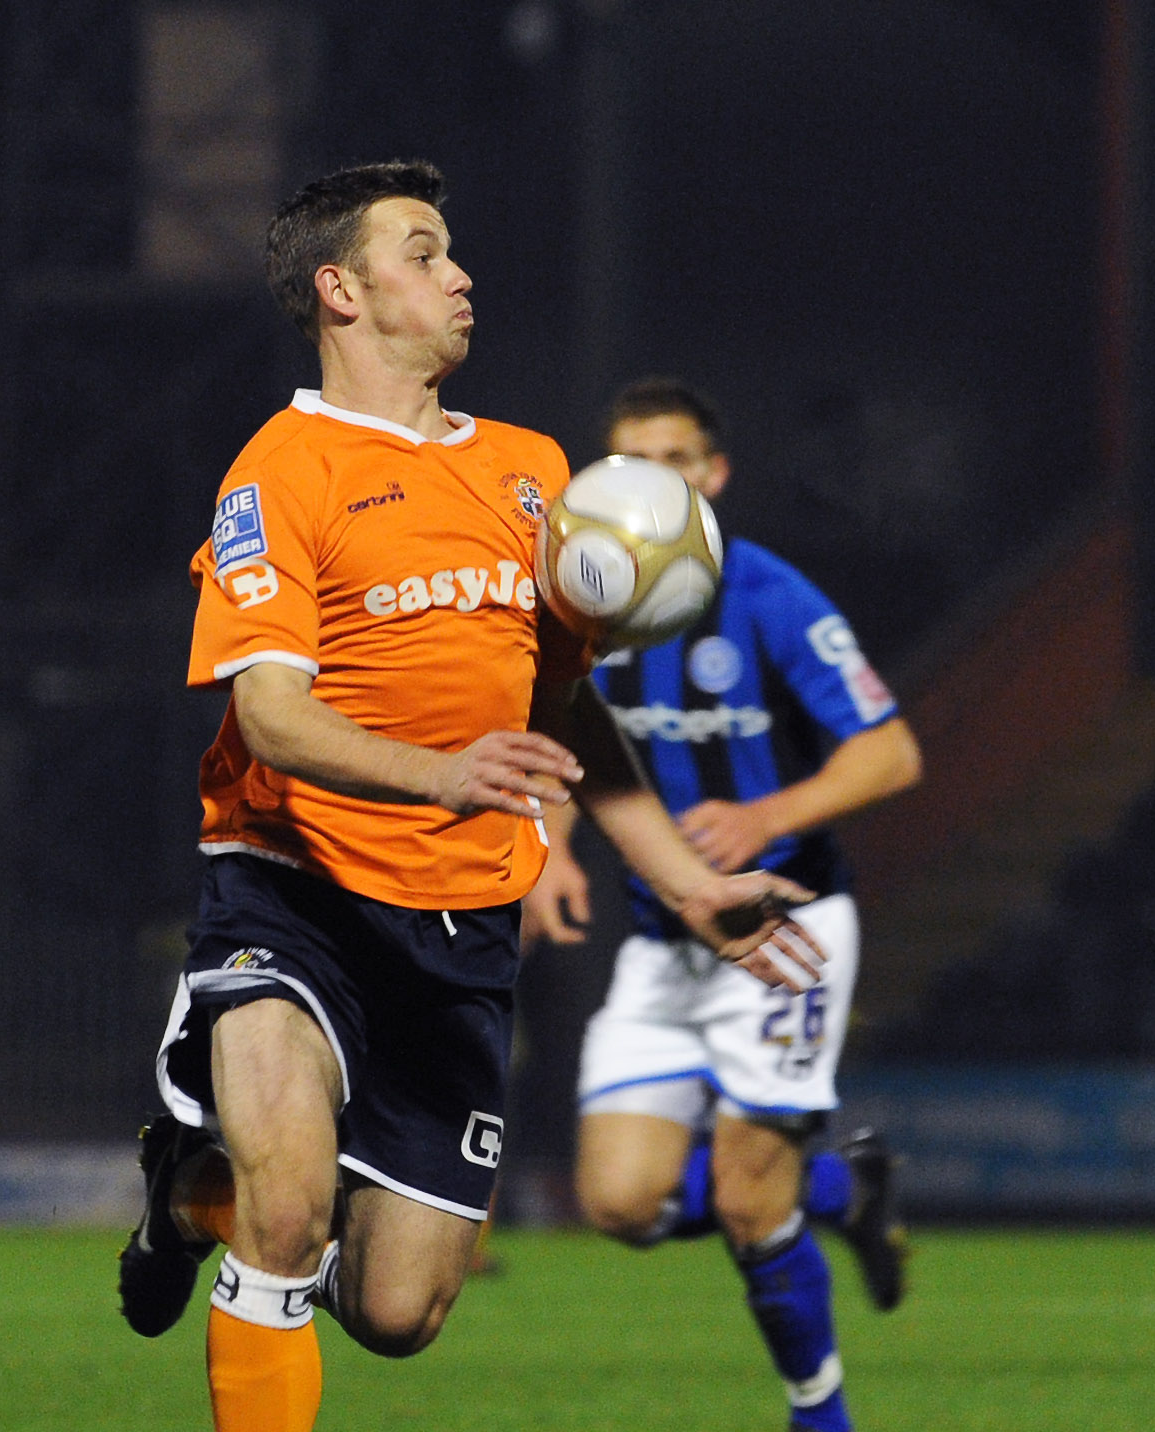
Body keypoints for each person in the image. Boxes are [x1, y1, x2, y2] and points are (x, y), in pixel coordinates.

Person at [114, 163, 827, 1432]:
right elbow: (270, 713)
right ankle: (234, 1196)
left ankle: (189, 1193)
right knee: (289, 1214)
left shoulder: (535, 474)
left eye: (454, 254)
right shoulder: (278, 473)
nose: (462, 277)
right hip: (294, 897)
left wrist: (689, 880)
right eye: (427, 252)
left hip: (457, 937)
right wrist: (447, 772)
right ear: (343, 290)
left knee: (398, 1313)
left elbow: (570, 721)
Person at [521, 378, 923, 1432]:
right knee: (616, 1203)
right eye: (631, 463)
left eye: (676, 460)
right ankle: (840, 1191)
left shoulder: (770, 593)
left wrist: (765, 815)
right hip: (661, 944)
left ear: (714, 475)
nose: (655, 479)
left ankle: (819, 1414)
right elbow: (568, 742)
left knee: (748, 1195)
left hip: (783, 928)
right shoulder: (588, 601)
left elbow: (892, 751)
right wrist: (553, 850)